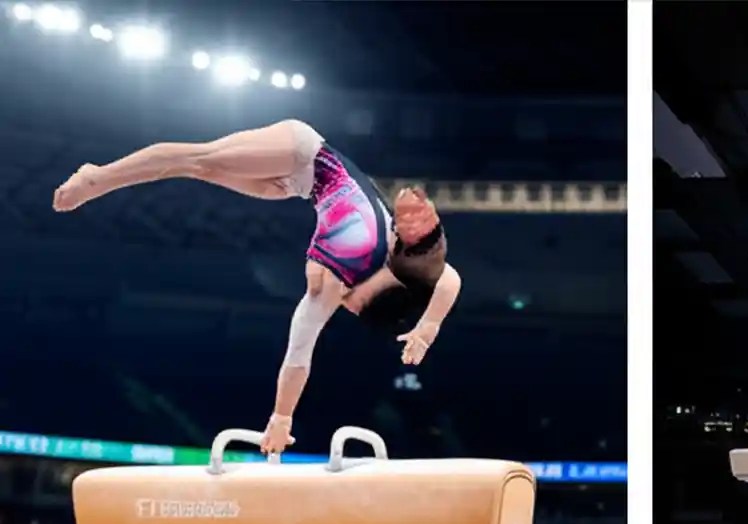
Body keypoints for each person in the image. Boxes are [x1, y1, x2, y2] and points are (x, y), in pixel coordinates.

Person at [51, 119, 462, 453]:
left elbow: (449, 279)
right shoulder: (334, 276)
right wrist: (281, 418)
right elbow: (298, 354)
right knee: (196, 158)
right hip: (301, 150)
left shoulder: (399, 260)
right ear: (363, 298)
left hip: (298, 185)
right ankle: (98, 176)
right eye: (352, 308)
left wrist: (427, 328)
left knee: (199, 168)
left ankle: (102, 178)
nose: (346, 308)